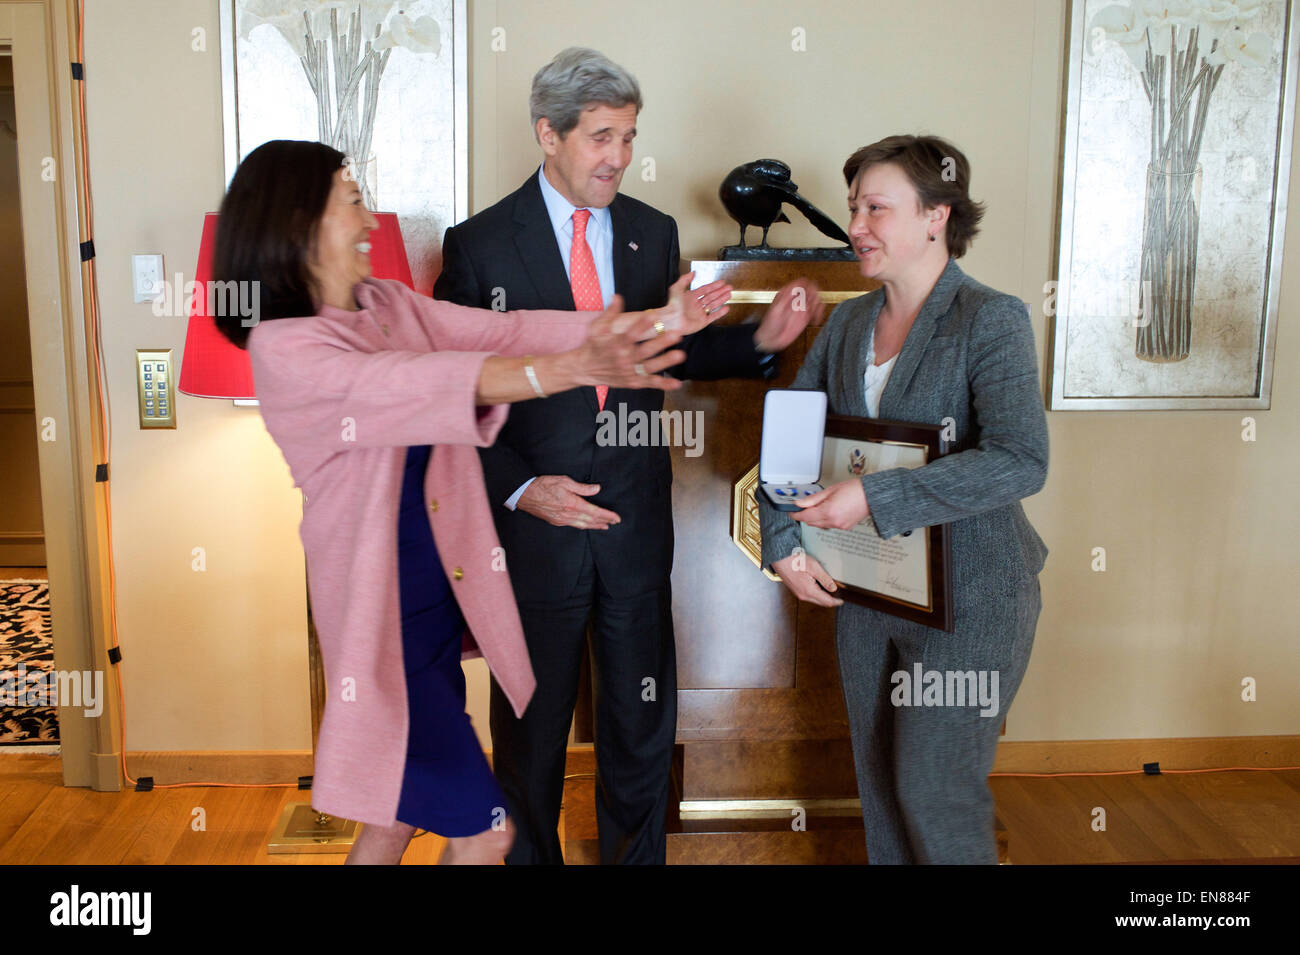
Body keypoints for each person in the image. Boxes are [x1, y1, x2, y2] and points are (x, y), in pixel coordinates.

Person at [211, 139, 724, 865]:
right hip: (381, 625)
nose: (368, 217)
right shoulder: (287, 349)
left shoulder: (382, 305)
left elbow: (503, 328)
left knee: (392, 819)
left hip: (431, 607)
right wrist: (565, 370)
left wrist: (650, 326)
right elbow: (435, 383)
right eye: (351, 198)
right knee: (486, 829)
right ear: (300, 222)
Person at [433, 47, 821, 865]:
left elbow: (663, 351)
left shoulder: (651, 232)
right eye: (601, 136)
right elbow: (451, 391)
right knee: (531, 735)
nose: (619, 156)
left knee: (641, 727)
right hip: (536, 530)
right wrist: (522, 487)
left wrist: (758, 342)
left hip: (637, 522)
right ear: (549, 133)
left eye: (629, 136)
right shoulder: (477, 246)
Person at [757, 134, 1049, 864]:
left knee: (934, 789)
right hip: (867, 598)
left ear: (935, 216)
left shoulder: (992, 318)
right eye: (855, 207)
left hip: (974, 600)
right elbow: (789, 436)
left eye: (876, 208)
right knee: (882, 794)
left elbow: (1020, 459)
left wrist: (873, 495)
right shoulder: (851, 321)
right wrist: (785, 546)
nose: (856, 224)